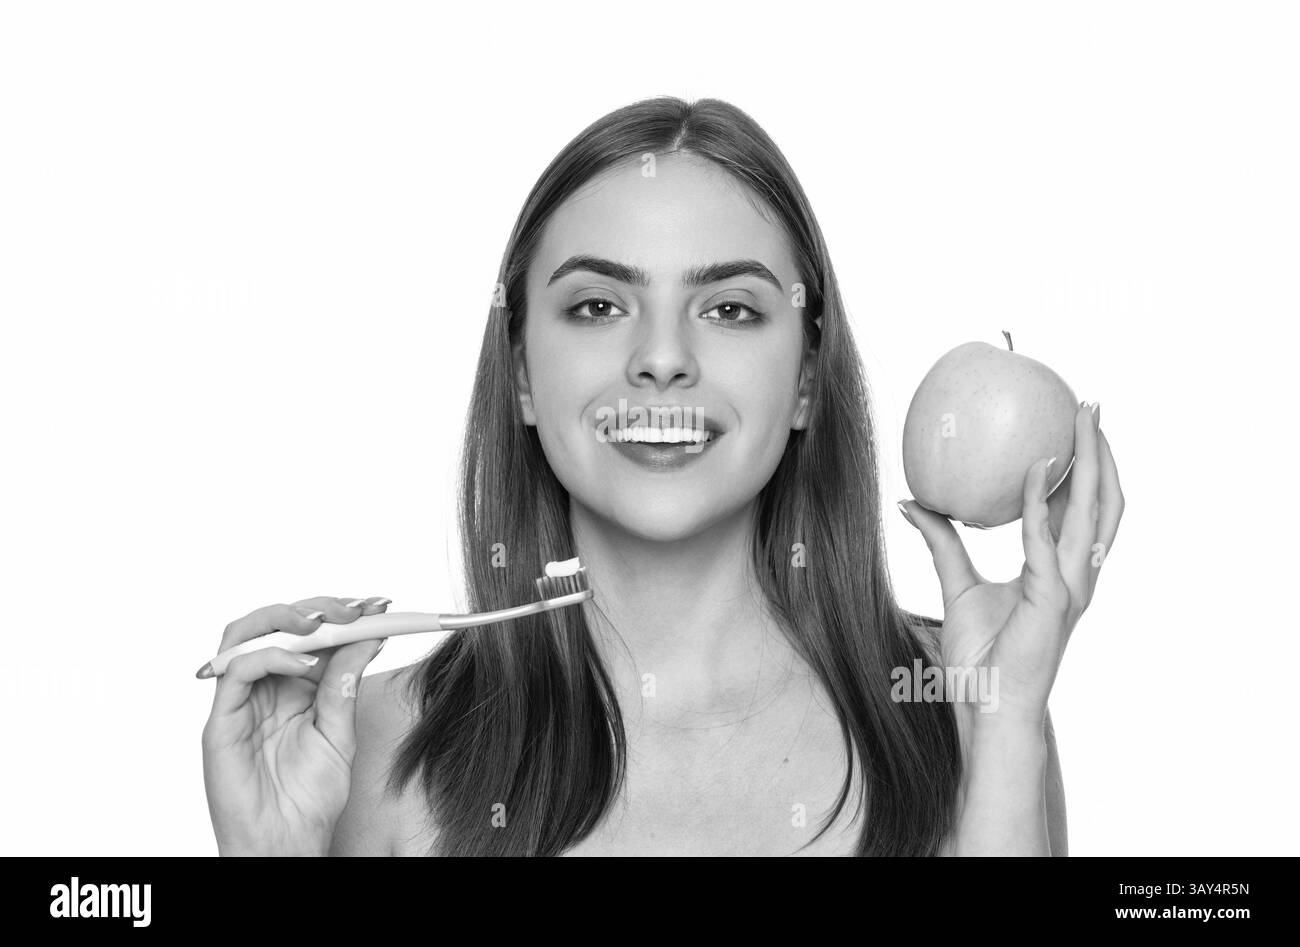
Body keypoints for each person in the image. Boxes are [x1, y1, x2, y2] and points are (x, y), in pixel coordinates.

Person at [200, 96, 1124, 856]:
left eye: (728, 307)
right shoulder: (366, 745)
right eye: (599, 305)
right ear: (522, 373)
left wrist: (1002, 736)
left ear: (805, 379)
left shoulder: (959, 701)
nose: (662, 358)